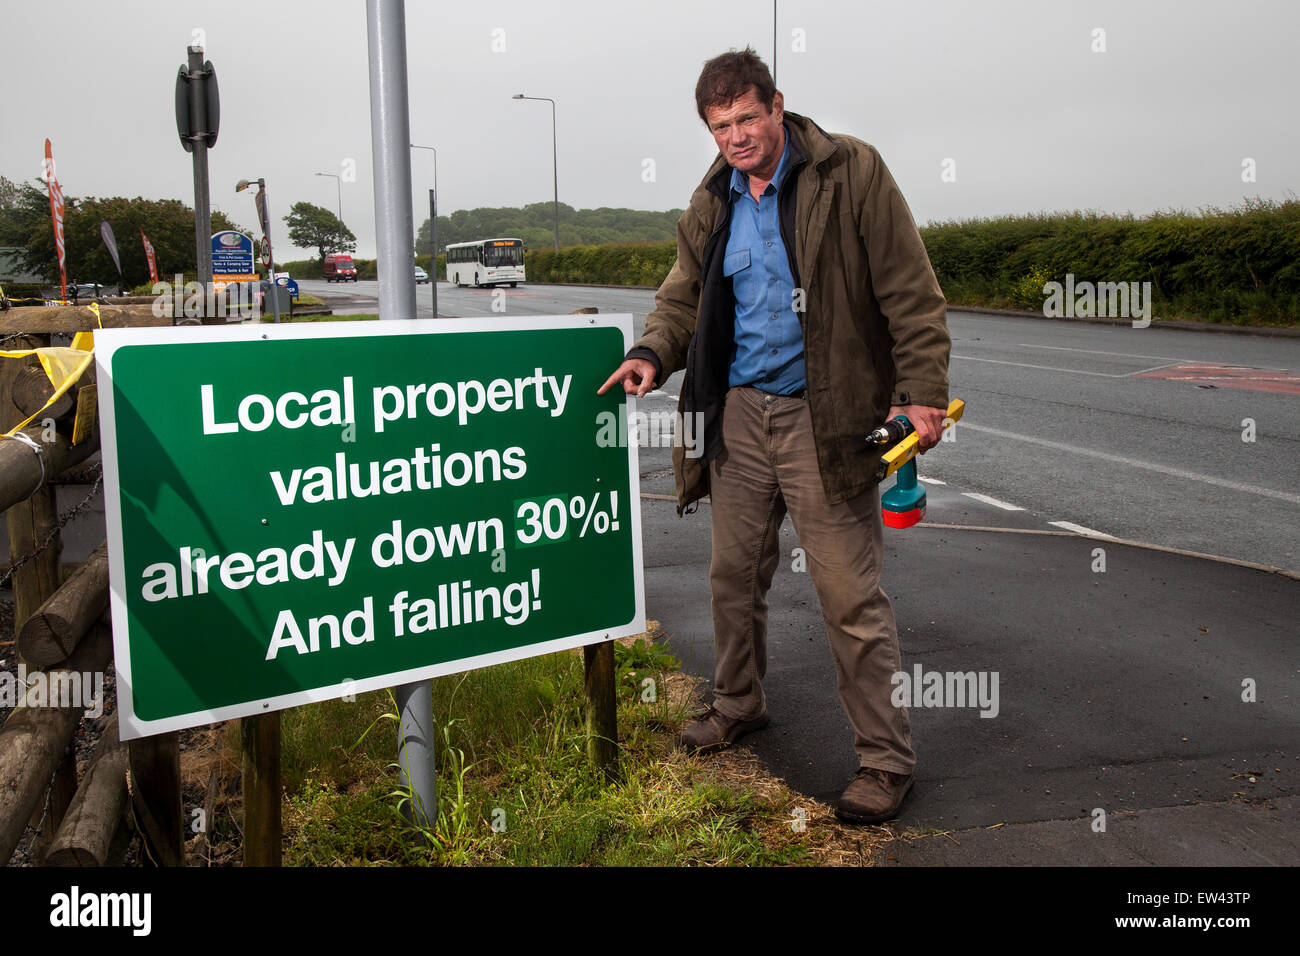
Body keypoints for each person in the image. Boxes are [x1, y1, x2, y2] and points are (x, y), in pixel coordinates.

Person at [599, 47, 951, 824]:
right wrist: (651, 353)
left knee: (849, 597)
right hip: (738, 416)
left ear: (777, 105)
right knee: (733, 578)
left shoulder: (851, 172)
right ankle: (737, 703)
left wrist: (922, 394)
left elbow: (909, 291)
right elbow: (682, 298)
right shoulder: (711, 201)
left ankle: (886, 762)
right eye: (720, 125)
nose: (737, 136)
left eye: (748, 118)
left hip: (828, 419)